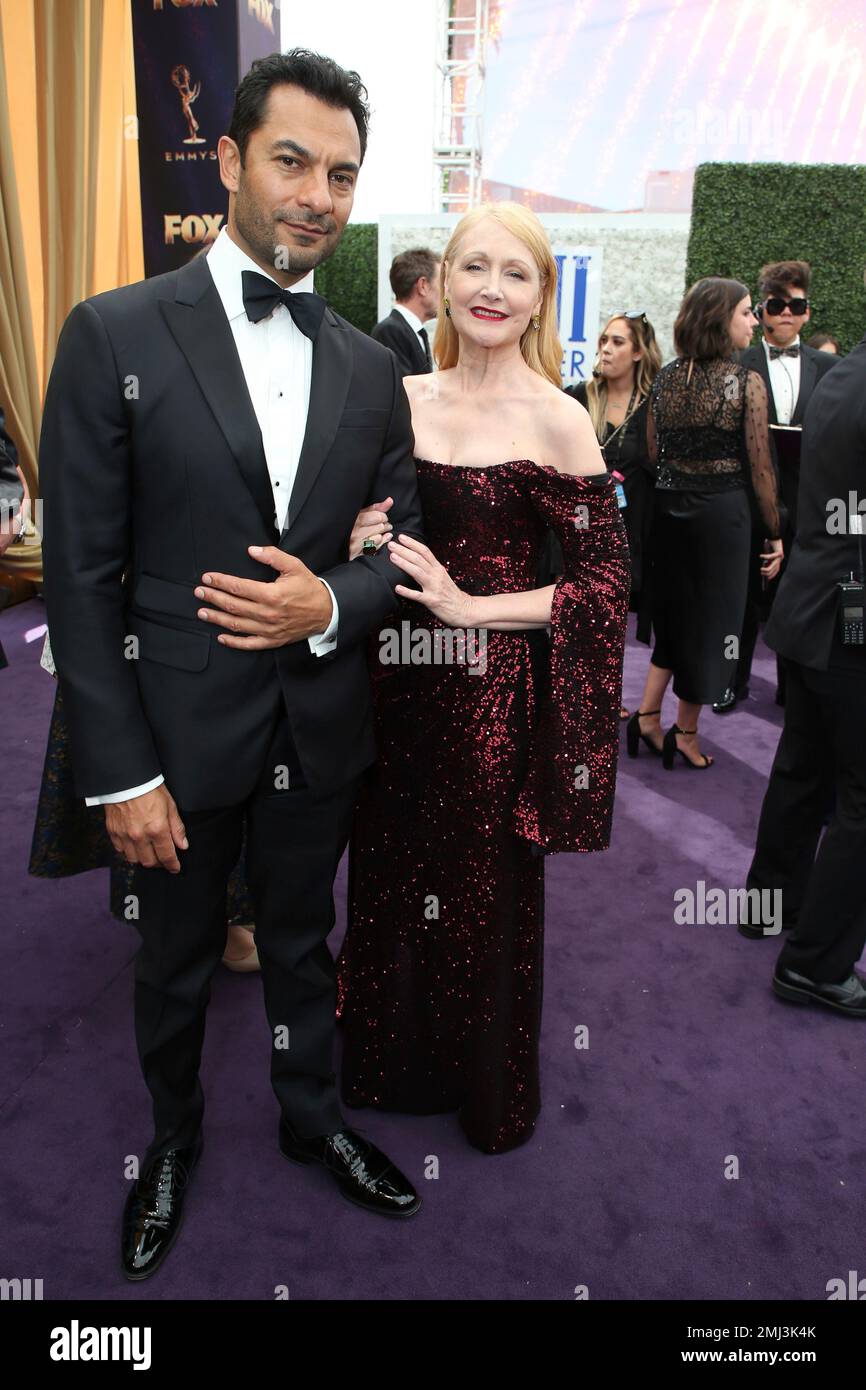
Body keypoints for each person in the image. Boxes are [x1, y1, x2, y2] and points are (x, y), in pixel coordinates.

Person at [39, 48, 427, 1283]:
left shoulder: (373, 366)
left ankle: (312, 1120)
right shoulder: (112, 333)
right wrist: (120, 775)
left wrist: (330, 600)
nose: (317, 192)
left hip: (315, 727)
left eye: (343, 174)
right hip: (172, 738)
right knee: (171, 960)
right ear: (228, 161)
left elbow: (395, 543)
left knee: (306, 940)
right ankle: (167, 1143)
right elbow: (81, 580)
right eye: (292, 160)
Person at [336, 202, 631, 1155]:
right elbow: (370, 525)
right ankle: (386, 1062)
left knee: (477, 886)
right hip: (392, 680)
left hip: (489, 695)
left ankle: (481, 1086)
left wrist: (472, 608)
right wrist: (363, 540)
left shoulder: (558, 420)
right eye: (474, 268)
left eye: (515, 273)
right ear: (443, 281)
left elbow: (603, 587)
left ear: (542, 295)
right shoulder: (403, 397)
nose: (491, 289)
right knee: (387, 866)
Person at [739, 320, 866, 1017]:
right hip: (852, 611)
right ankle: (817, 964)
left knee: (803, 770)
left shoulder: (840, 371)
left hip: (819, 599)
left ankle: (768, 907)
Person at [627, 278, 783, 770]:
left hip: (670, 515)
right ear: (721, 320)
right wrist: (775, 532)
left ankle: (647, 716)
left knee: (674, 618)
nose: (753, 321)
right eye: (745, 313)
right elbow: (761, 467)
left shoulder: (667, 378)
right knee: (712, 626)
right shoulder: (745, 383)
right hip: (722, 520)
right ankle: (685, 732)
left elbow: (653, 455)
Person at [715, 260, 837, 713]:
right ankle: (731, 680)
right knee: (740, 599)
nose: (786, 313)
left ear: (807, 312)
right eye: (776, 304)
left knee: (800, 596)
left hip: (810, 503)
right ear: (764, 310)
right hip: (745, 500)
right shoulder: (736, 362)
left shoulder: (831, 367)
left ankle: (793, 690)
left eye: (796, 304)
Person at [566, 311, 662, 717]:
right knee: (571, 609)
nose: (606, 348)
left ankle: (604, 695)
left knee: (612, 613)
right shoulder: (577, 396)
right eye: (604, 340)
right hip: (575, 524)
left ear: (639, 351)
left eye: (618, 342)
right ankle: (570, 693)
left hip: (629, 526)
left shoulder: (653, 405)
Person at [370, 248, 440, 377]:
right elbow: (403, 391)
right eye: (442, 283)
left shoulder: (410, 331)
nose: (447, 292)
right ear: (423, 286)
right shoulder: (390, 331)